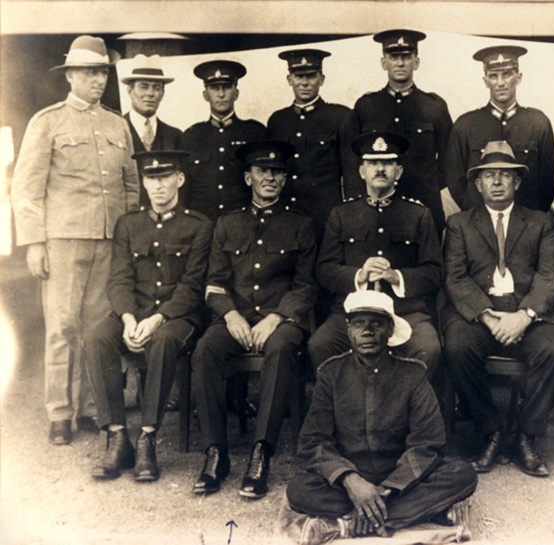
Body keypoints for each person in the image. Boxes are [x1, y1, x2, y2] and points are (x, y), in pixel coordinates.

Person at [11, 36, 139, 446]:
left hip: (109, 241)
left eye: (102, 72)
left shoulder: (117, 124)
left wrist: (127, 237)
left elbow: (131, 186)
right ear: (70, 76)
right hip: (63, 241)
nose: (97, 80)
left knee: (97, 330)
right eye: (88, 72)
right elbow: (26, 188)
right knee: (62, 326)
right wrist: (34, 242)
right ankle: (59, 413)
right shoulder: (48, 121)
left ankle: (88, 408)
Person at [284, 290, 477, 545]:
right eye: (358, 324)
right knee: (298, 490)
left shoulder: (413, 375)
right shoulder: (331, 374)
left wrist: (387, 489)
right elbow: (314, 442)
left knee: (462, 474)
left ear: (390, 329)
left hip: (402, 479)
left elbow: (428, 443)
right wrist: (351, 481)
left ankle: (349, 523)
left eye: (376, 324)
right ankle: (417, 514)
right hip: (349, 480)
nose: (367, 331)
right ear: (349, 331)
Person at [191, 141, 317, 498]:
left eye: (277, 172)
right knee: (205, 349)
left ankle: (262, 453)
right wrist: (231, 315)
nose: (270, 178)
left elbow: (306, 286)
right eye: (263, 171)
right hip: (237, 317)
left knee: (280, 349)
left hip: (282, 320)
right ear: (249, 178)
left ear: (284, 179)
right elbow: (215, 282)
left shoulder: (301, 225)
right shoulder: (228, 224)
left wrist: (277, 317)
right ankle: (216, 453)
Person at [442, 141, 554, 478]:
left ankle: (526, 436)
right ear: (478, 183)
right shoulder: (459, 224)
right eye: (489, 176)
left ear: (517, 182)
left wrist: (524, 316)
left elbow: (550, 277)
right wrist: (486, 315)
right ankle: (491, 431)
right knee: (458, 346)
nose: (497, 182)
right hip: (480, 315)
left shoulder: (541, 223)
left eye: (505, 175)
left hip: (529, 313)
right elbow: (455, 278)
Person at [85, 151, 212, 481]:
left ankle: (147, 438)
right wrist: (128, 319)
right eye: (151, 178)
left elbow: (192, 286)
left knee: (164, 340)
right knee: (96, 337)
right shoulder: (128, 224)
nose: (158, 185)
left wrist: (158, 319)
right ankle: (117, 438)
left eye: (165, 177)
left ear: (179, 180)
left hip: (178, 316)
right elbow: (119, 279)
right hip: (134, 312)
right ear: (143, 182)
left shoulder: (198, 226)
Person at [310, 132, 443, 381]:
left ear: (398, 171)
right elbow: (325, 269)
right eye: (373, 163)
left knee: (428, 347)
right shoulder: (342, 214)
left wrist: (396, 276)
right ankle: (346, 404)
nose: (380, 169)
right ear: (362, 171)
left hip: (405, 311)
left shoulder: (419, 214)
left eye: (388, 163)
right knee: (321, 344)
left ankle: (403, 404)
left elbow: (435, 272)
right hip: (352, 312)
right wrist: (360, 275)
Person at [343, 29, 452, 233]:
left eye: (406, 57)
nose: (400, 63)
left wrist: (428, 187)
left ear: (416, 62)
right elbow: (352, 161)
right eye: (394, 57)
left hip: (423, 205)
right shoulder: (367, 106)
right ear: (384, 62)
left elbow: (448, 160)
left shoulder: (434, 107)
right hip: (377, 207)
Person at [446, 46, 554, 213]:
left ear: (518, 77)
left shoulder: (538, 124)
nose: (500, 83)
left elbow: (547, 183)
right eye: (493, 76)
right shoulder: (466, 125)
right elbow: (457, 182)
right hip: (479, 222)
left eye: (507, 74)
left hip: (527, 222)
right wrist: (475, 216)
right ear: (485, 81)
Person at [267, 48, 353, 242]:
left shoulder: (340, 117)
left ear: (321, 79)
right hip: (286, 215)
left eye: (311, 76)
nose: (304, 82)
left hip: (324, 217)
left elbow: (352, 173)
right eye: (298, 76)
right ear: (289, 79)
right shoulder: (278, 120)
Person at [181, 60, 269, 222]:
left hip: (242, 223)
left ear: (236, 93)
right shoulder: (191, 136)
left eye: (227, 87)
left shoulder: (254, 133)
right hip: (201, 223)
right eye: (214, 88)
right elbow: (184, 190)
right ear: (205, 95)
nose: (221, 94)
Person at [121, 54, 183, 207]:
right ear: (129, 91)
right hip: (126, 217)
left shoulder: (175, 136)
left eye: (156, 88)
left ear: (162, 94)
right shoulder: (114, 130)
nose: (150, 93)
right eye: (143, 86)